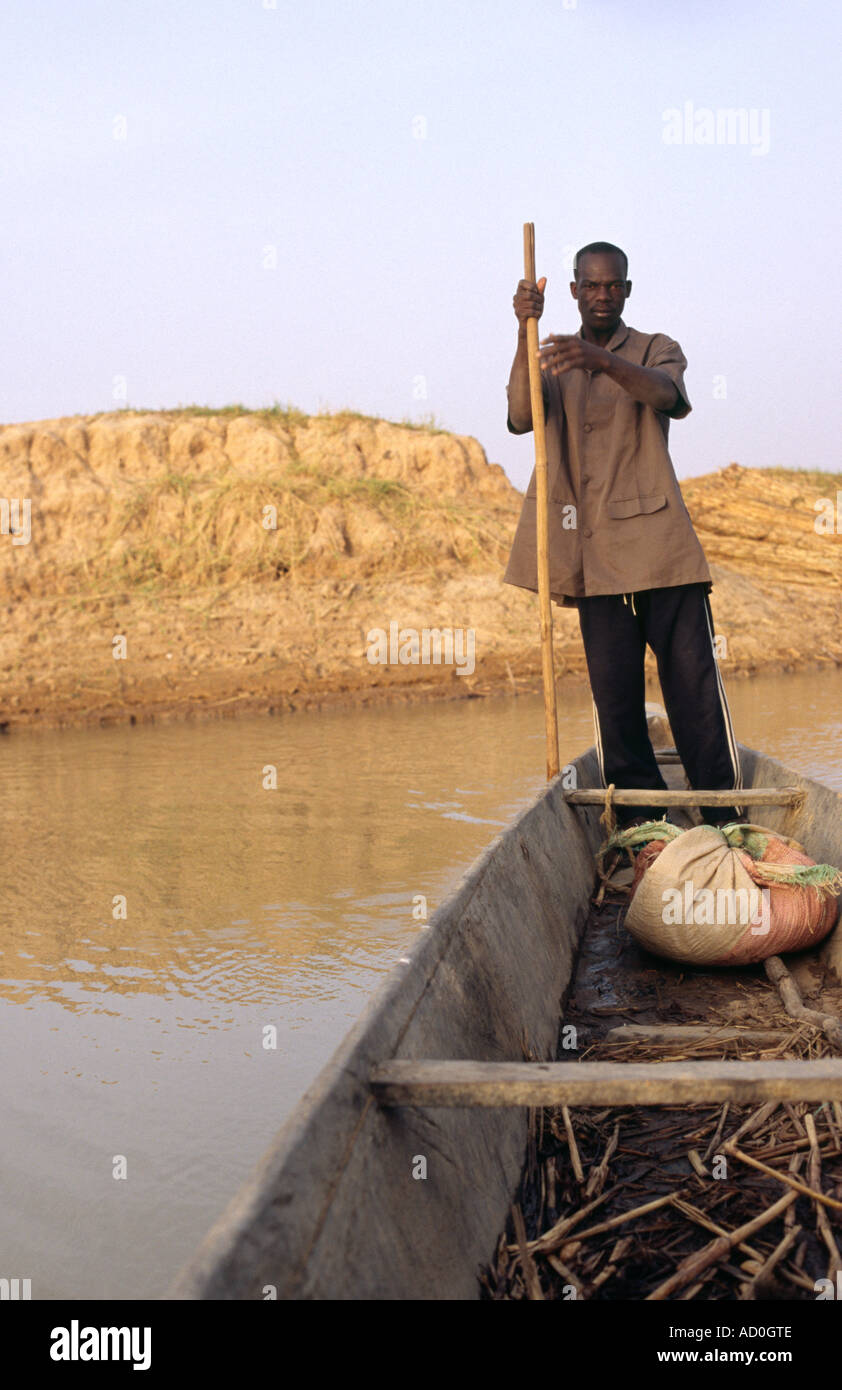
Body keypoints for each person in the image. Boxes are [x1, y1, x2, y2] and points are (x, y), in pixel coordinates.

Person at [503, 241, 742, 827]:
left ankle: (724, 816)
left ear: (627, 291)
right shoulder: (553, 355)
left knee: (692, 689)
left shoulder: (657, 348)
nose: (603, 295)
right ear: (575, 290)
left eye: (614, 286)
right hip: (594, 558)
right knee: (616, 704)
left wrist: (600, 360)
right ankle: (642, 830)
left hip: (662, 551)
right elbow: (518, 417)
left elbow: (670, 398)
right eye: (592, 285)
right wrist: (523, 329)